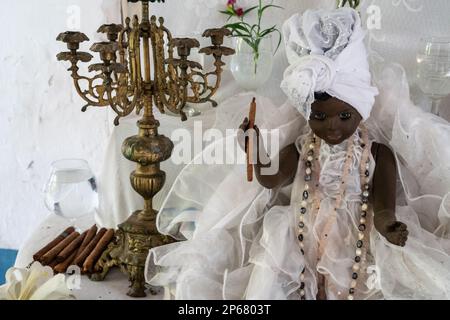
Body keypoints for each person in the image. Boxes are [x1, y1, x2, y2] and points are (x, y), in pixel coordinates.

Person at [145, 8, 450, 300]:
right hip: (299, 238)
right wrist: (255, 150)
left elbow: (382, 204)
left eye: (344, 116)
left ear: (361, 109)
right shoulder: (303, 147)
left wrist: (386, 225)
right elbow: (270, 178)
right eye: (319, 117)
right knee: (275, 265)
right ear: (307, 114)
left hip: (355, 238)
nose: (332, 127)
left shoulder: (377, 153)